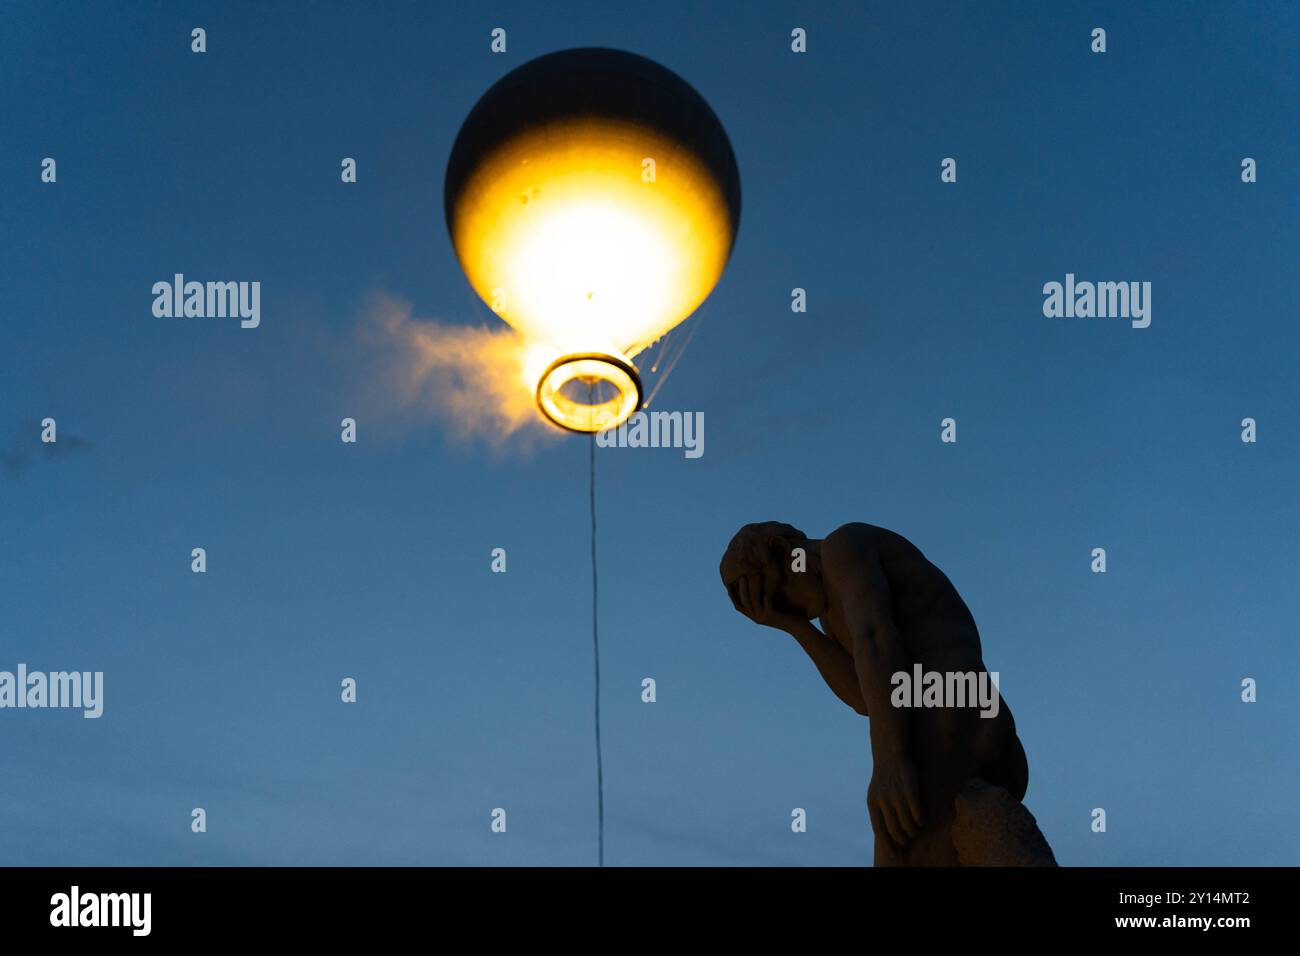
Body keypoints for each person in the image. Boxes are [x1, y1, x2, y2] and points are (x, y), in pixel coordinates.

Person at [720, 520, 1051, 866]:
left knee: (902, 842)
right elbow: (864, 699)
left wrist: (890, 761)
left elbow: (877, 639)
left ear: (782, 551)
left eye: (780, 597)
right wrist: (793, 626)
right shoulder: (831, 614)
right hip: (948, 728)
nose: (790, 608)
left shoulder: (842, 547)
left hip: (960, 715)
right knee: (906, 842)